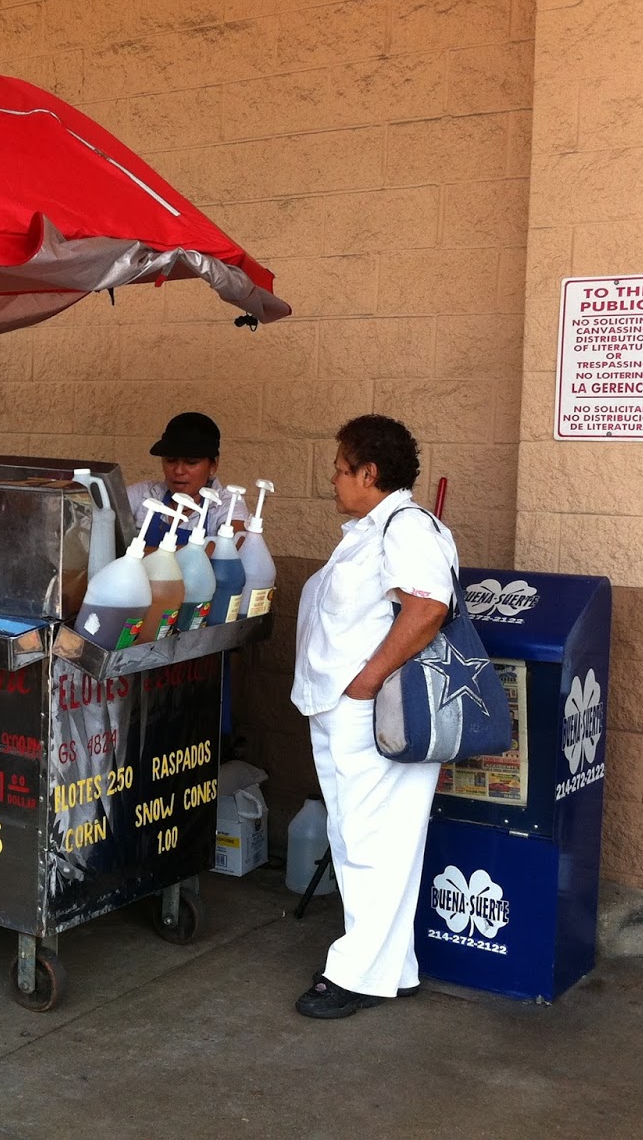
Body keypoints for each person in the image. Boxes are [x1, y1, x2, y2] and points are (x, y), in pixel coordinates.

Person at [289, 414, 457, 1019]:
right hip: (347, 707)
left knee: (368, 843)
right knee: (368, 839)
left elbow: (430, 604)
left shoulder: (407, 528)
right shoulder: (372, 528)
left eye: (340, 468)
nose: (333, 479)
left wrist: (366, 681)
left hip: (372, 710)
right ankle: (395, 967)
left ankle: (354, 975)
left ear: (370, 472)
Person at [126, 411, 246, 546]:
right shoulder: (147, 494)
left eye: (191, 462)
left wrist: (152, 555)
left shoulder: (226, 505)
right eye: (170, 460)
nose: (178, 471)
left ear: (214, 465)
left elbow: (233, 545)